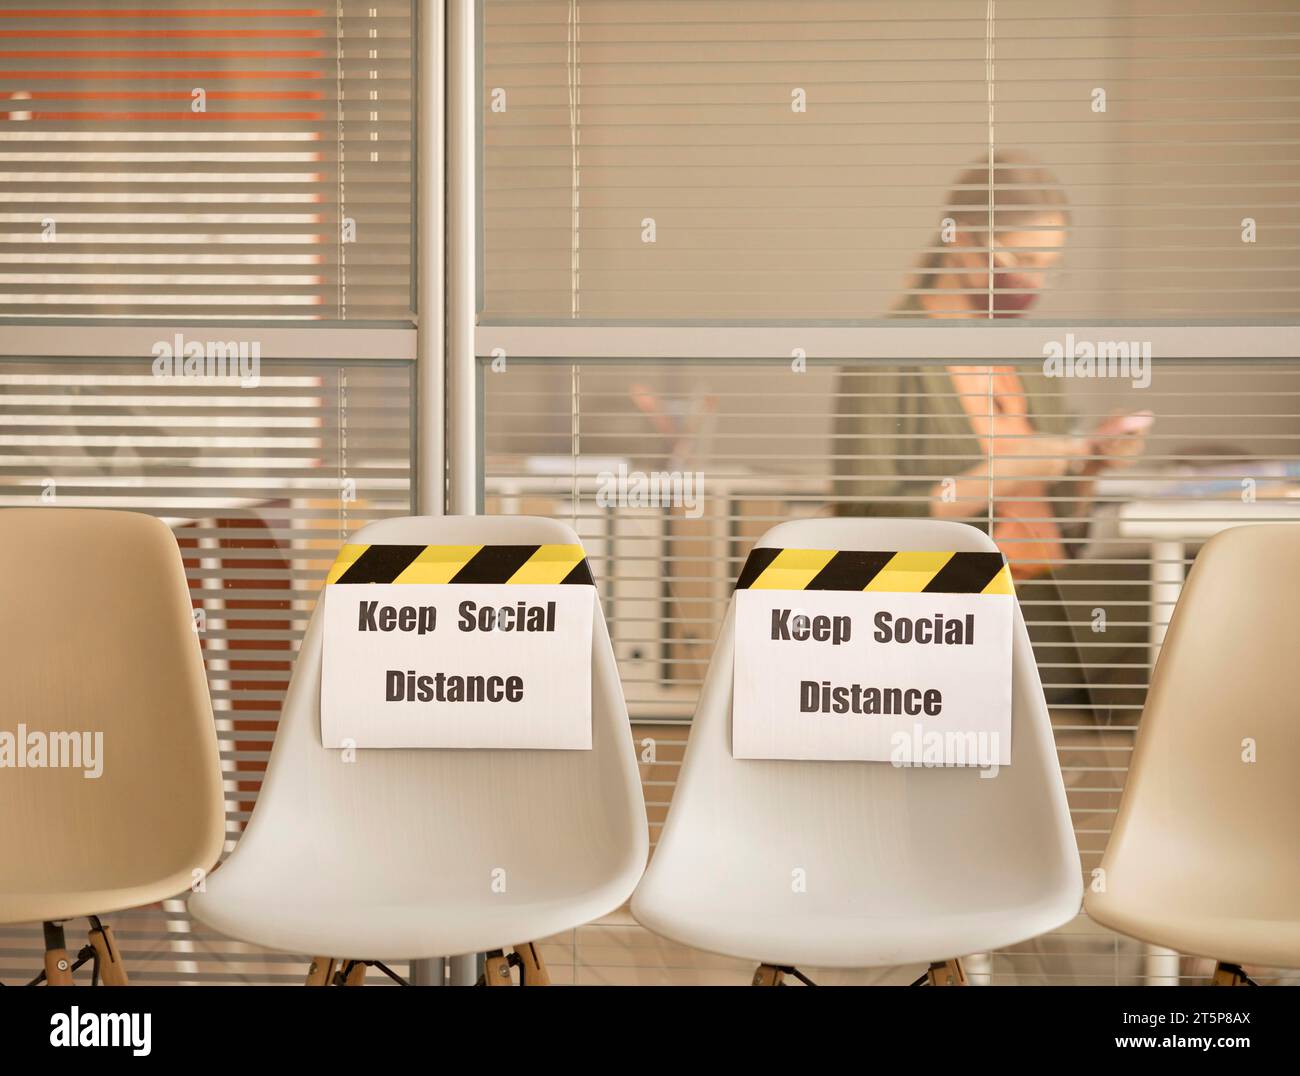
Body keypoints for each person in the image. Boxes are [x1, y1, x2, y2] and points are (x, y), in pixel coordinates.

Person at [833, 152, 1150, 720]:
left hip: (1046, 598)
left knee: (1176, 626)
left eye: (1049, 266)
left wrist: (1090, 465)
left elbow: (1055, 516)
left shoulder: (1023, 353)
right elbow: (862, 515)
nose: (1034, 281)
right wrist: (1000, 474)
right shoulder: (885, 354)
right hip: (961, 610)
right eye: (1023, 259)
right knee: (1179, 605)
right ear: (962, 242)